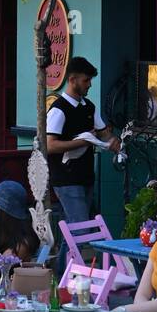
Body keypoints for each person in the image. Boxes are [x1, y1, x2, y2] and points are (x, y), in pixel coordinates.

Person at [46, 58, 120, 229]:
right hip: (66, 178)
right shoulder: (59, 109)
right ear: (72, 80)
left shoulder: (89, 107)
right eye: (86, 80)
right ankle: (72, 257)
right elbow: (49, 145)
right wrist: (82, 142)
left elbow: (103, 132)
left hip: (85, 176)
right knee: (80, 229)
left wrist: (114, 141)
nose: (89, 85)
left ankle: (65, 257)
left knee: (73, 230)